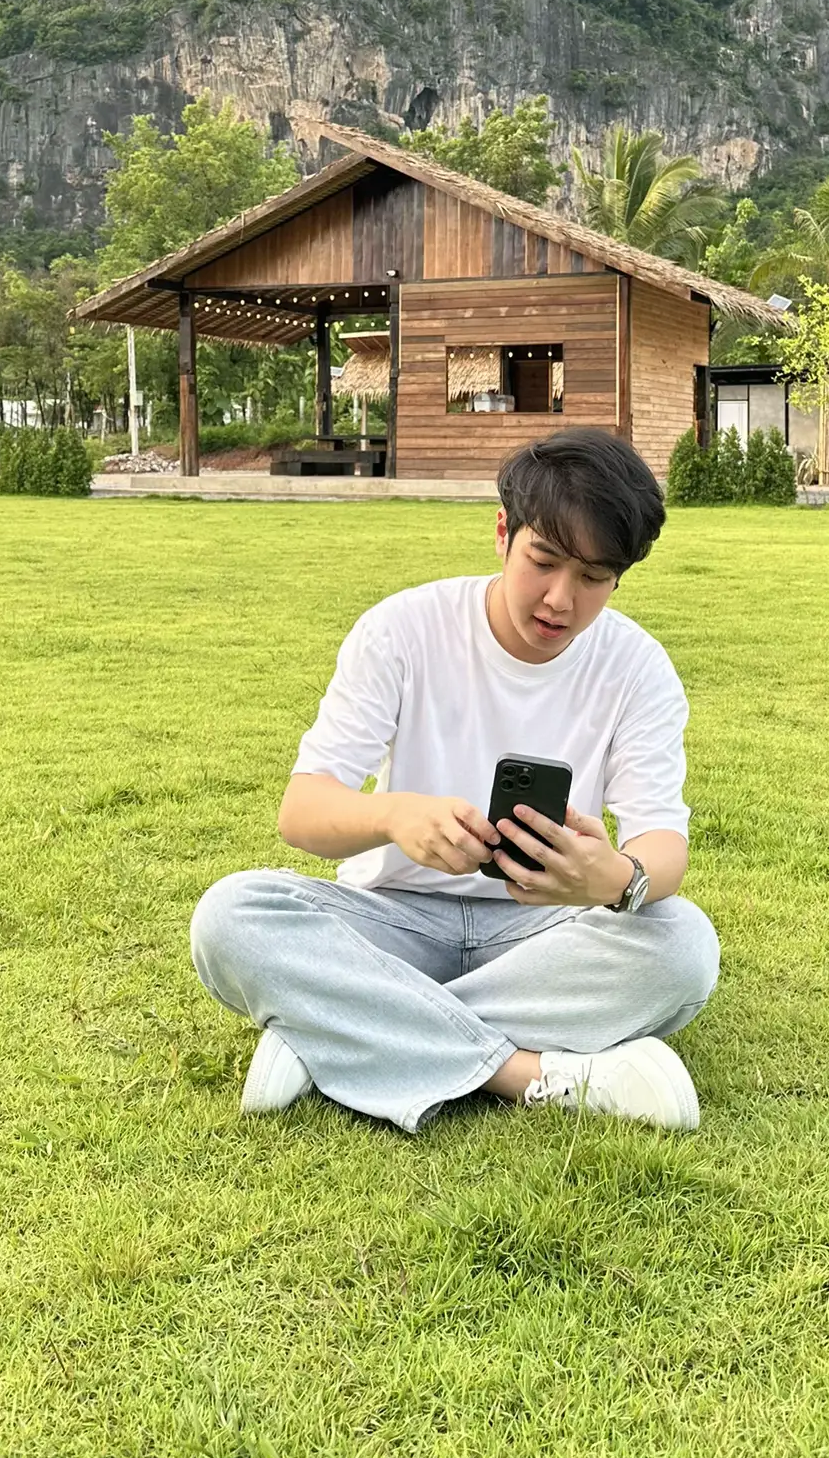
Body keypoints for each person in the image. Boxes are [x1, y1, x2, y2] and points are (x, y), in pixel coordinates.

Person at [190, 427, 720, 1133]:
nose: (562, 599)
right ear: (503, 532)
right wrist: (393, 817)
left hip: (544, 930)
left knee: (683, 946)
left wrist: (615, 878)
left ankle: (337, 1030)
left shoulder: (637, 668)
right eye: (545, 561)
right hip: (393, 917)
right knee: (232, 917)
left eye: (594, 578)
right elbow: (302, 810)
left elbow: (663, 843)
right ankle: (532, 1075)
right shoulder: (402, 630)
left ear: (619, 576)